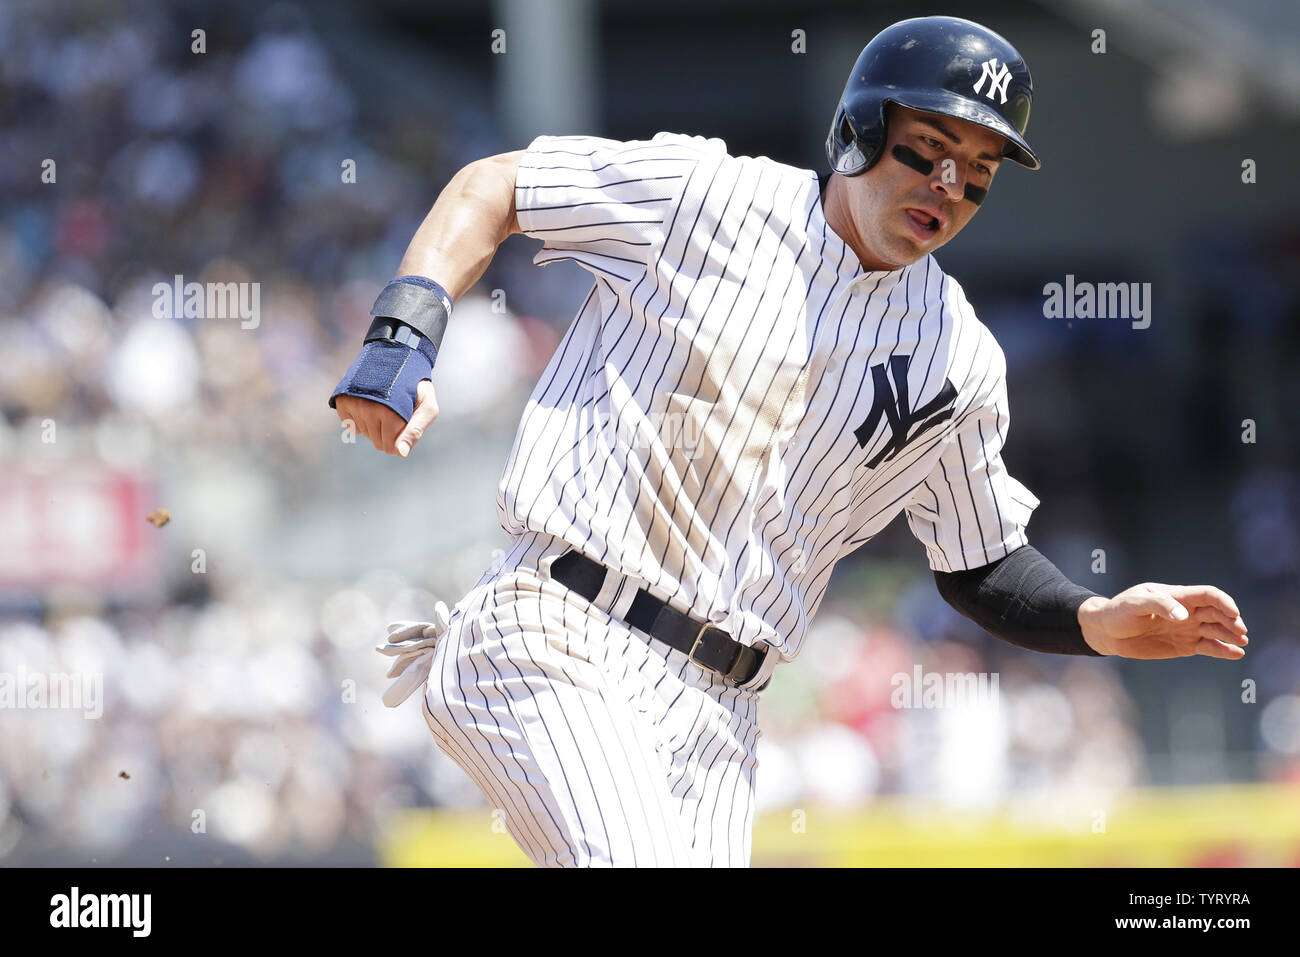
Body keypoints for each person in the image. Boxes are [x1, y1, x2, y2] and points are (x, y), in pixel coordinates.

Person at [331, 16, 1248, 867]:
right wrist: (402, 335)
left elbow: (978, 563)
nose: (949, 185)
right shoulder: (706, 196)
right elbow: (499, 184)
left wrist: (1093, 618)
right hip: (556, 627)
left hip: (722, 711)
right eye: (930, 147)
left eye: (979, 168)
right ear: (857, 130)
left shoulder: (956, 355)